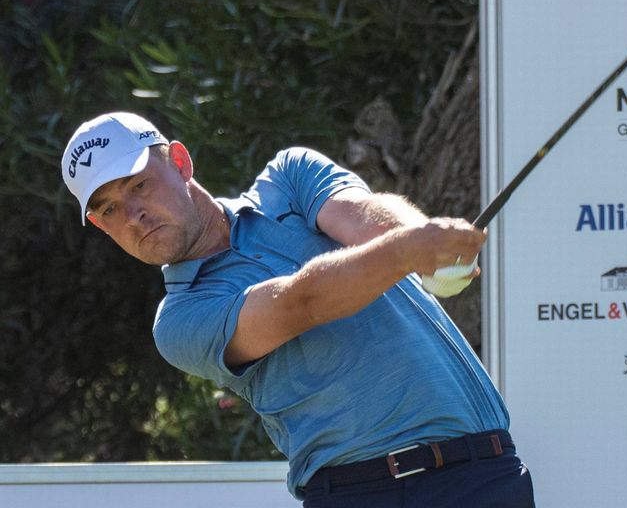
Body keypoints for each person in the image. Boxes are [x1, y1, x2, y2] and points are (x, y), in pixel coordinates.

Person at [61, 111, 535, 508]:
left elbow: (365, 216)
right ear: (102, 228)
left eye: (139, 185)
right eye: (108, 209)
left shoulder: (288, 178)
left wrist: (425, 242)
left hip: (488, 474)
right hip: (366, 494)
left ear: (181, 163)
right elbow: (300, 304)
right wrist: (406, 252)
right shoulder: (181, 320)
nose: (132, 215)